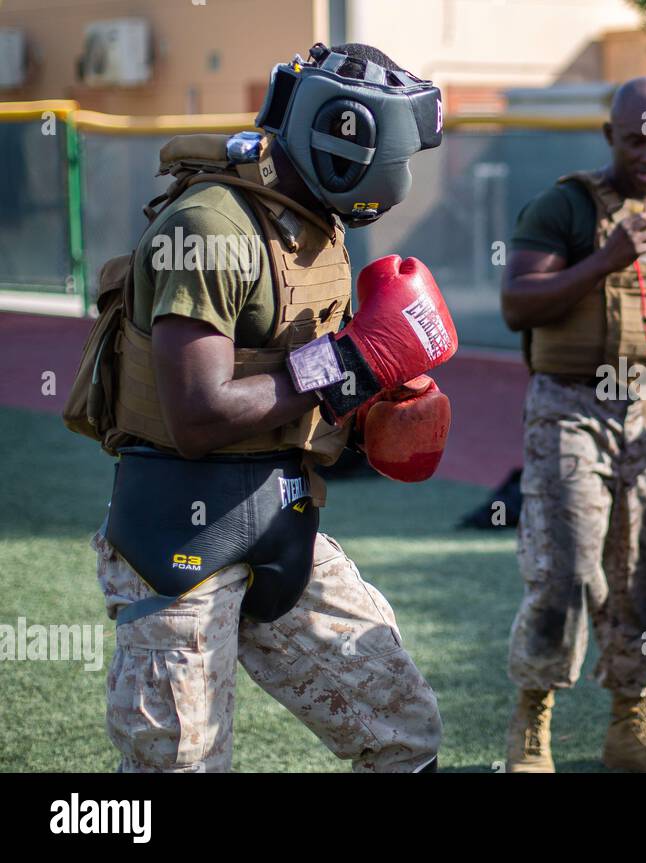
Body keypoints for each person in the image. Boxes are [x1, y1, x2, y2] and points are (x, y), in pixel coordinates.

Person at [79, 43, 456, 772]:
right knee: (177, 766)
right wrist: (350, 360)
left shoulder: (313, 221)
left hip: (283, 519)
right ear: (351, 139)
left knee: (404, 732)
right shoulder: (209, 229)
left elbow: (295, 375)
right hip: (179, 539)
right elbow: (198, 415)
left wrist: (376, 398)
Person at [499, 76, 646, 773]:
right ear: (611, 136)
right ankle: (532, 727)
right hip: (572, 408)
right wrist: (604, 261)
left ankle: (630, 727)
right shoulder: (565, 206)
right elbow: (517, 301)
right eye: (637, 140)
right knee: (564, 570)